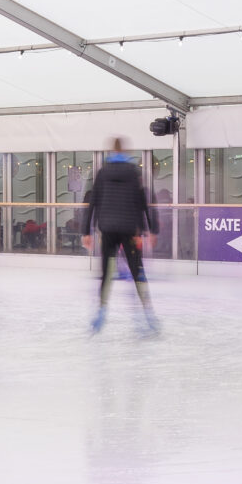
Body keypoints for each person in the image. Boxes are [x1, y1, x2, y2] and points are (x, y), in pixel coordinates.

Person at [80, 139, 159, 336]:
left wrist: (86, 231)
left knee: (106, 273)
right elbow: (143, 202)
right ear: (124, 151)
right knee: (137, 272)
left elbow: (93, 201)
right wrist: (150, 229)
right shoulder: (133, 172)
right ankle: (147, 314)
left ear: (111, 151)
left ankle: (100, 313)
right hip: (129, 229)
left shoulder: (102, 172)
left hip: (107, 228)